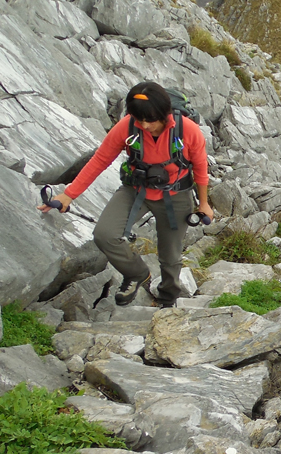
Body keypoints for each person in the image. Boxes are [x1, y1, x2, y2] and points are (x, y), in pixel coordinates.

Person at [39, 82, 213, 308]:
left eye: (150, 120)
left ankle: (168, 300)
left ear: (164, 114)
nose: (145, 125)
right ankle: (136, 273)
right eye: (139, 119)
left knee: (170, 255)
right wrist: (68, 195)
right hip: (135, 189)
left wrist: (204, 203)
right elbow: (100, 160)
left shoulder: (187, 130)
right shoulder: (127, 127)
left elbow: (200, 168)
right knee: (104, 234)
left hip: (176, 195)